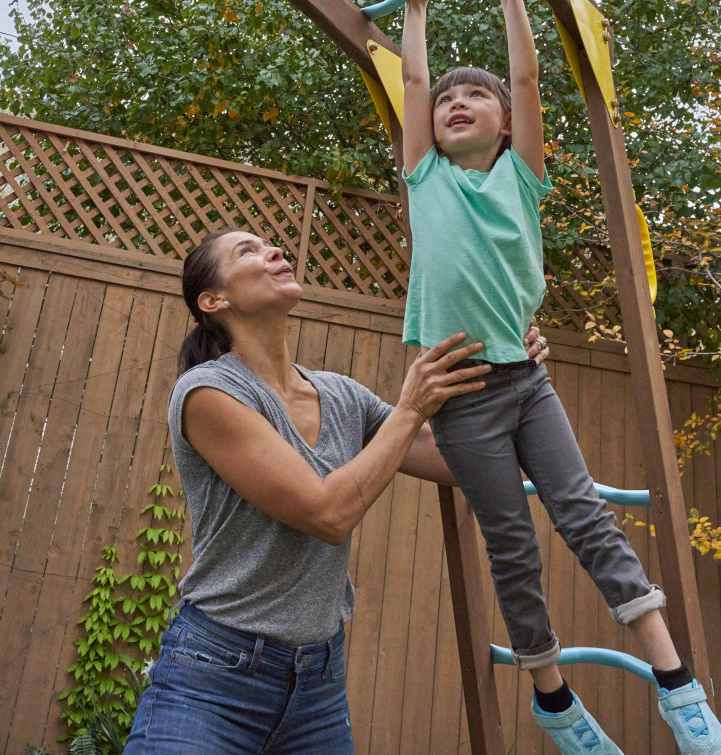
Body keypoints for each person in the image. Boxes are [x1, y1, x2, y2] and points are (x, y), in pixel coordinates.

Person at [397, 0, 721, 755]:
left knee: (585, 516)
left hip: (527, 378)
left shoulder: (522, 175)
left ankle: (677, 687)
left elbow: (526, 82)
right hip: (460, 395)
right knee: (512, 543)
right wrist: (414, 14)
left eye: (474, 96)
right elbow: (413, 88)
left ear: (505, 124)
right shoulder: (425, 179)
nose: (457, 103)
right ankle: (553, 700)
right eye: (448, 99)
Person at [122, 226, 550, 755]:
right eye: (247, 251)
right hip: (214, 675)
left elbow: (466, 461)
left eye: (270, 243)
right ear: (214, 300)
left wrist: (515, 370)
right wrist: (412, 406)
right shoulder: (209, 392)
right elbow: (327, 513)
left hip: (318, 686)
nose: (274, 251)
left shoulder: (341, 395)